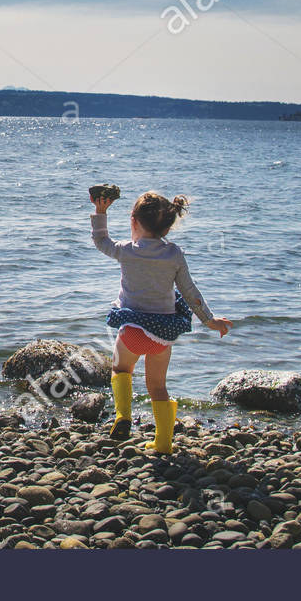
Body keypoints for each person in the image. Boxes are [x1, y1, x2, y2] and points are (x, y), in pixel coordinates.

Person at [91, 190, 232, 452]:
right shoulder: (174, 254)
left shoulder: (126, 251)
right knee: (158, 387)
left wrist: (101, 212)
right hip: (163, 335)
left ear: (133, 221)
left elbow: (101, 241)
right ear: (168, 227)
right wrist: (210, 321)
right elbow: (190, 293)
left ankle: (123, 416)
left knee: (121, 370)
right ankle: (164, 443)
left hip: (132, 330)